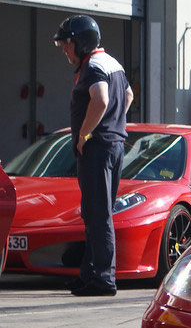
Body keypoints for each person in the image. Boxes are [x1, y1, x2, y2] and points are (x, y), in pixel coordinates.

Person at [53, 15, 133, 297]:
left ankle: (102, 278)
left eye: (67, 43)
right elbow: (128, 95)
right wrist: (115, 123)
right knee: (95, 212)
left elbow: (101, 99)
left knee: (98, 214)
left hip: (98, 148)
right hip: (112, 145)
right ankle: (89, 274)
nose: (65, 50)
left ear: (82, 42)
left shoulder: (94, 67)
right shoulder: (112, 63)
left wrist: (85, 135)